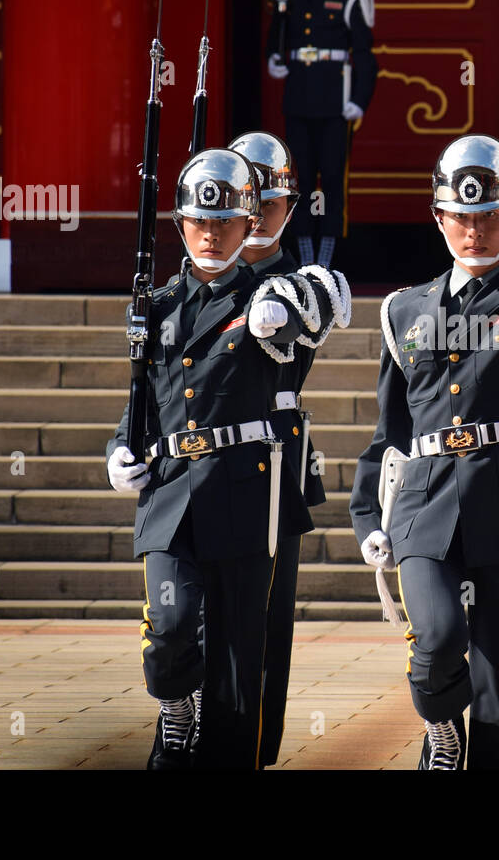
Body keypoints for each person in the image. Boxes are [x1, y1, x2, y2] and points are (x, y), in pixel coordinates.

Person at [348, 134, 499, 769]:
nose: (475, 231)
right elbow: (390, 427)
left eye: (489, 217)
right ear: (438, 218)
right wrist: (368, 516)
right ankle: (439, 725)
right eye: (461, 217)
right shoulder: (404, 308)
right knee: (434, 639)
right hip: (424, 500)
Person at [106, 147, 345, 770]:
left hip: (242, 492)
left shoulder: (270, 298)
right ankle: (175, 702)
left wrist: (285, 313)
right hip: (169, 494)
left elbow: (317, 302)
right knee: (169, 626)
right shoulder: (155, 307)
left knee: (240, 661)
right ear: (180, 226)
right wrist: (118, 451)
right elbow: (142, 404)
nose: (211, 235)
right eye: (198, 223)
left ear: (250, 226)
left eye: (226, 223)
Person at [229, 129, 351, 766]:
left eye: (268, 205)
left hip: (271, 460)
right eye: (241, 203)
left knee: (265, 619)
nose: (253, 217)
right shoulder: (191, 278)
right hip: (193, 465)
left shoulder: (304, 281)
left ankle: (252, 747)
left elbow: (312, 308)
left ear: (290, 209)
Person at [266, 0, 376, 271]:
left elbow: (364, 53)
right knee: (299, 176)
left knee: (330, 178)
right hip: (299, 97)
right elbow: (278, 40)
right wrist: (274, 56)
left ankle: (326, 253)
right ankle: (303, 252)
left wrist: (359, 100)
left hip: (334, 99)